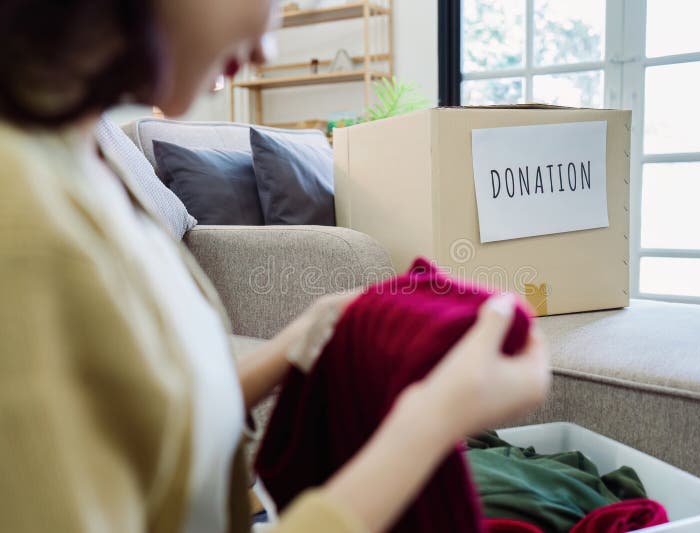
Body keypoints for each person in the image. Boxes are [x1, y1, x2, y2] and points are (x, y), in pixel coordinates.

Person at [0, 1, 551, 532]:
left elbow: (139, 426)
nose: (267, 47)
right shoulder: (25, 225)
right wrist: (428, 424)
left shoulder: (83, 162)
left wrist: (300, 340)